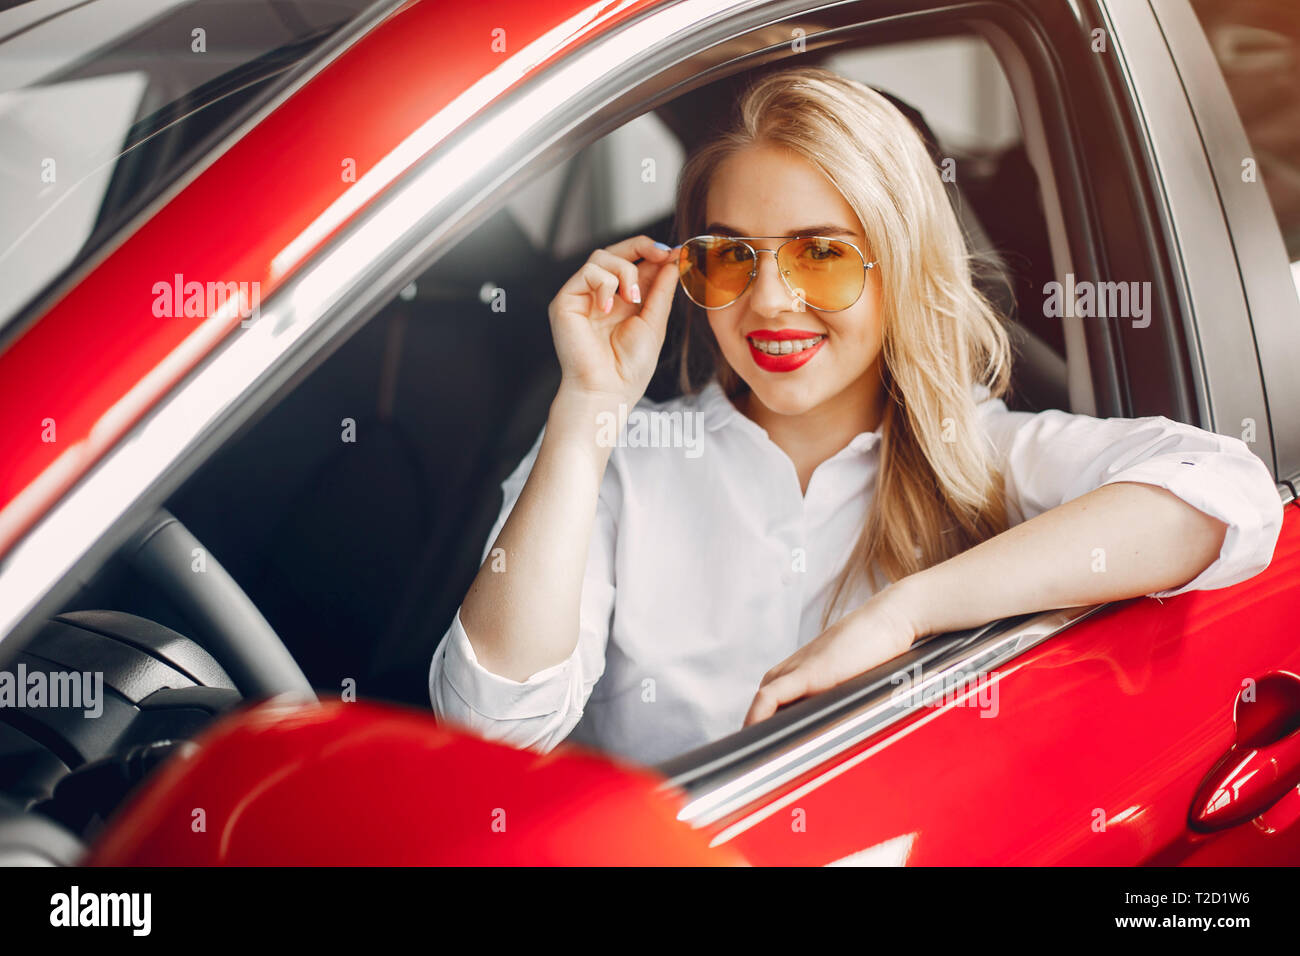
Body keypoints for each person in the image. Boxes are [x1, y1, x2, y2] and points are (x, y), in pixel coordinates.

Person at [428, 67, 1283, 766]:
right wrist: (587, 409)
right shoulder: (621, 464)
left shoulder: (981, 455)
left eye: (822, 254)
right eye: (730, 256)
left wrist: (901, 613)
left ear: (900, 267)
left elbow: (1225, 494)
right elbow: (492, 726)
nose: (769, 302)